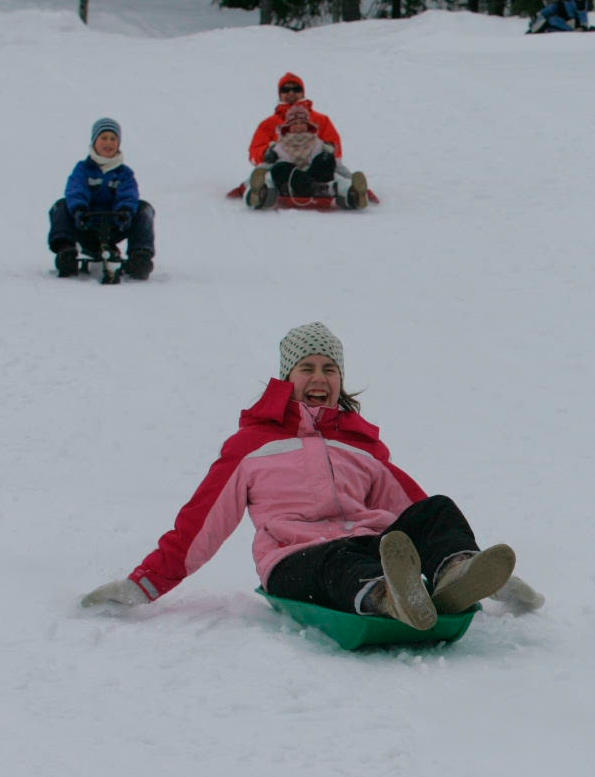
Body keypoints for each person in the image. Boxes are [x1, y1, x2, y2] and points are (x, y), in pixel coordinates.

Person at [79, 323, 544, 628]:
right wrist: (143, 583)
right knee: (339, 561)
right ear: (287, 379)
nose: (319, 376)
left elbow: (415, 509)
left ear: (340, 381)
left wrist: (487, 574)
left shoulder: (360, 446)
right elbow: (200, 524)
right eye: (307, 367)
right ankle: (390, 597)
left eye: (329, 368)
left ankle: (457, 575)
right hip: (296, 559)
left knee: (437, 509)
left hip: (369, 546)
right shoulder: (252, 446)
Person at [47, 118, 155, 280]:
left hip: (116, 224)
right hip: (86, 224)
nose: (108, 143)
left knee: (143, 208)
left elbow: (129, 194)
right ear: (94, 141)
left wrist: (125, 211)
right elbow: (76, 190)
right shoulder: (83, 169)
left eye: (113, 139)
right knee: (61, 206)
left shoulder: (124, 173)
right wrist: (79, 209)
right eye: (103, 138)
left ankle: (140, 257)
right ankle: (66, 252)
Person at [246, 105, 368, 210]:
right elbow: (263, 170)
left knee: (326, 158)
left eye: (302, 123)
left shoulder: (319, 144)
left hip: (318, 180)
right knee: (279, 168)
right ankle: (259, 194)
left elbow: (338, 167)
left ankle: (353, 194)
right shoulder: (279, 147)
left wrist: (351, 178)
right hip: (292, 186)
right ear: (288, 127)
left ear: (308, 125)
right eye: (295, 124)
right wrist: (250, 182)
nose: (299, 126)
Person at [247, 74, 343, 167]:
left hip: (316, 168)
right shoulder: (268, 124)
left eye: (296, 89)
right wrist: (267, 154)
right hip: (282, 169)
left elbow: (335, 148)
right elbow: (255, 152)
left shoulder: (321, 120)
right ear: (279, 94)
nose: (291, 93)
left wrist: (325, 152)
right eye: (285, 90)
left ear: (303, 93)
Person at [527, 1, 595, 32]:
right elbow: (550, 9)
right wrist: (538, 15)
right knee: (547, 20)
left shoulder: (578, 2)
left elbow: (582, 13)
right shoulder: (561, 3)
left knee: (550, 20)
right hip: (563, 23)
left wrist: (583, 26)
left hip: (572, 25)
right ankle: (536, 28)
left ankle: (537, 29)